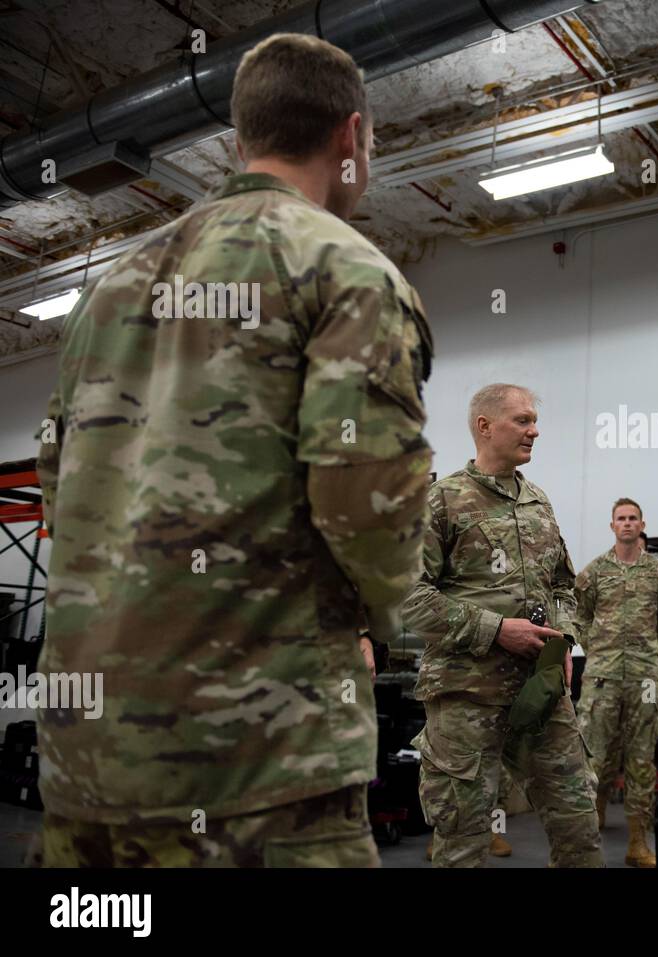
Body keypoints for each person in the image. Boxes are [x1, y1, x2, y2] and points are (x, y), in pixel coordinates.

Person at [33, 33, 432, 867]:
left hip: (85, 755)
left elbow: (58, 487)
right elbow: (367, 504)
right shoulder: (341, 268)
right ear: (349, 138)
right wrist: (380, 620)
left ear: (239, 141)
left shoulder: (107, 289)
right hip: (257, 762)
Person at [404, 383, 602, 868]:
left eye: (535, 421)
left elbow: (562, 585)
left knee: (579, 825)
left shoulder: (539, 501)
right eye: (523, 420)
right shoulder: (441, 501)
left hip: (540, 690)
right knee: (463, 838)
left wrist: (565, 644)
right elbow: (408, 598)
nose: (534, 431)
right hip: (465, 694)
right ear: (484, 426)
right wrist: (496, 629)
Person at [575, 498, 658, 867]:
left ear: (642, 524)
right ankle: (589, 830)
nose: (627, 523)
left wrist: (647, 653)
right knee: (593, 757)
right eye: (621, 518)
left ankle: (638, 841)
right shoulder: (595, 572)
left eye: (633, 518)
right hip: (601, 678)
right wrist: (597, 649)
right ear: (612, 526)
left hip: (644, 680)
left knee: (640, 760)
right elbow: (578, 615)